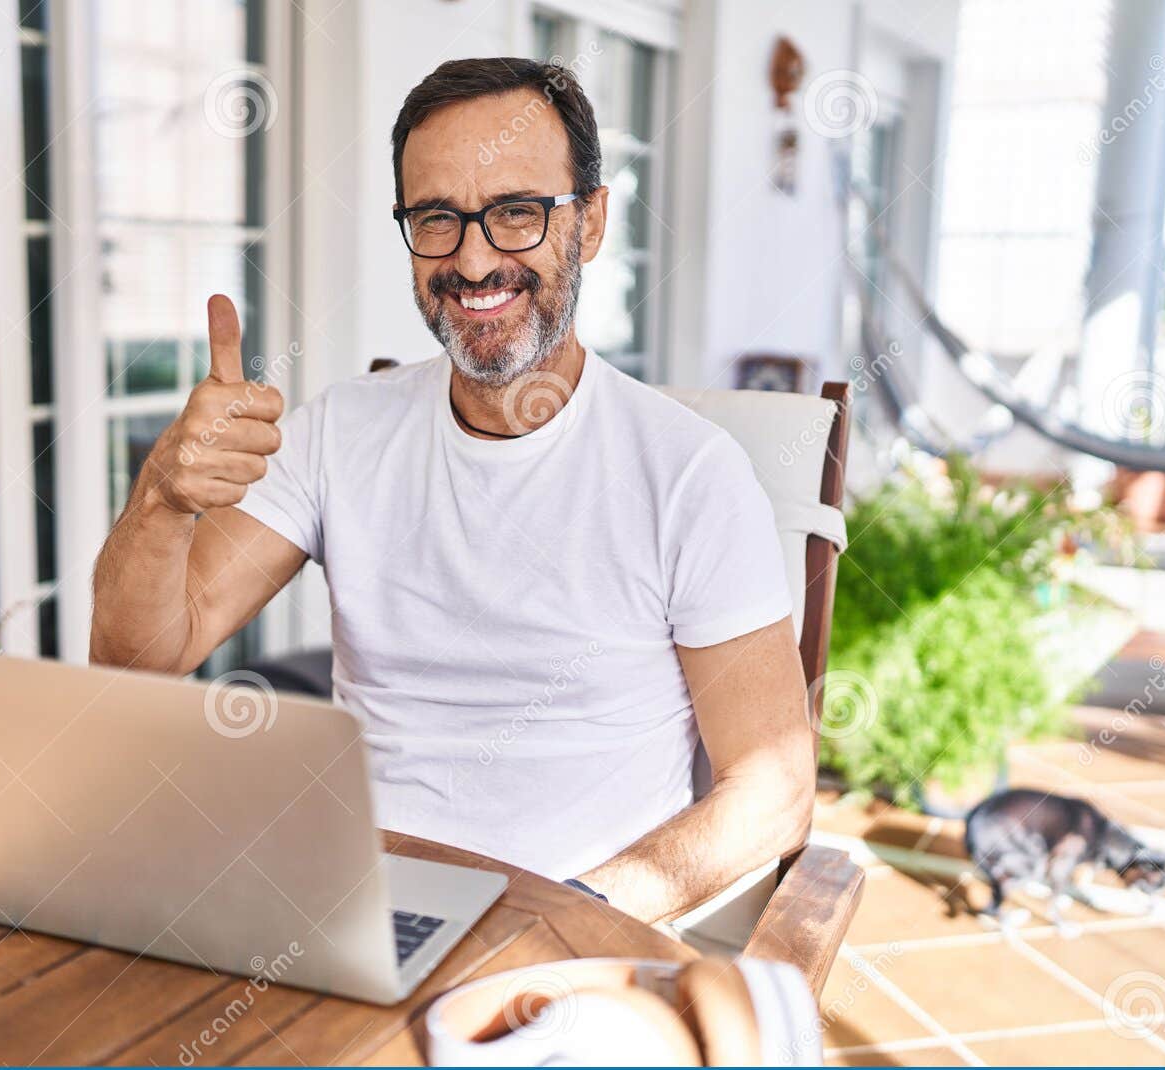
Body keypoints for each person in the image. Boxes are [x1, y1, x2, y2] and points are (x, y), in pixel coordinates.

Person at [91, 57, 813, 923]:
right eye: (437, 218)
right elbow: (138, 658)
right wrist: (164, 501)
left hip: (574, 942)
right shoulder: (339, 433)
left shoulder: (690, 475)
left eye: (516, 212)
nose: (473, 260)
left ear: (588, 223)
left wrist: (563, 918)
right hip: (349, 918)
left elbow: (773, 790)